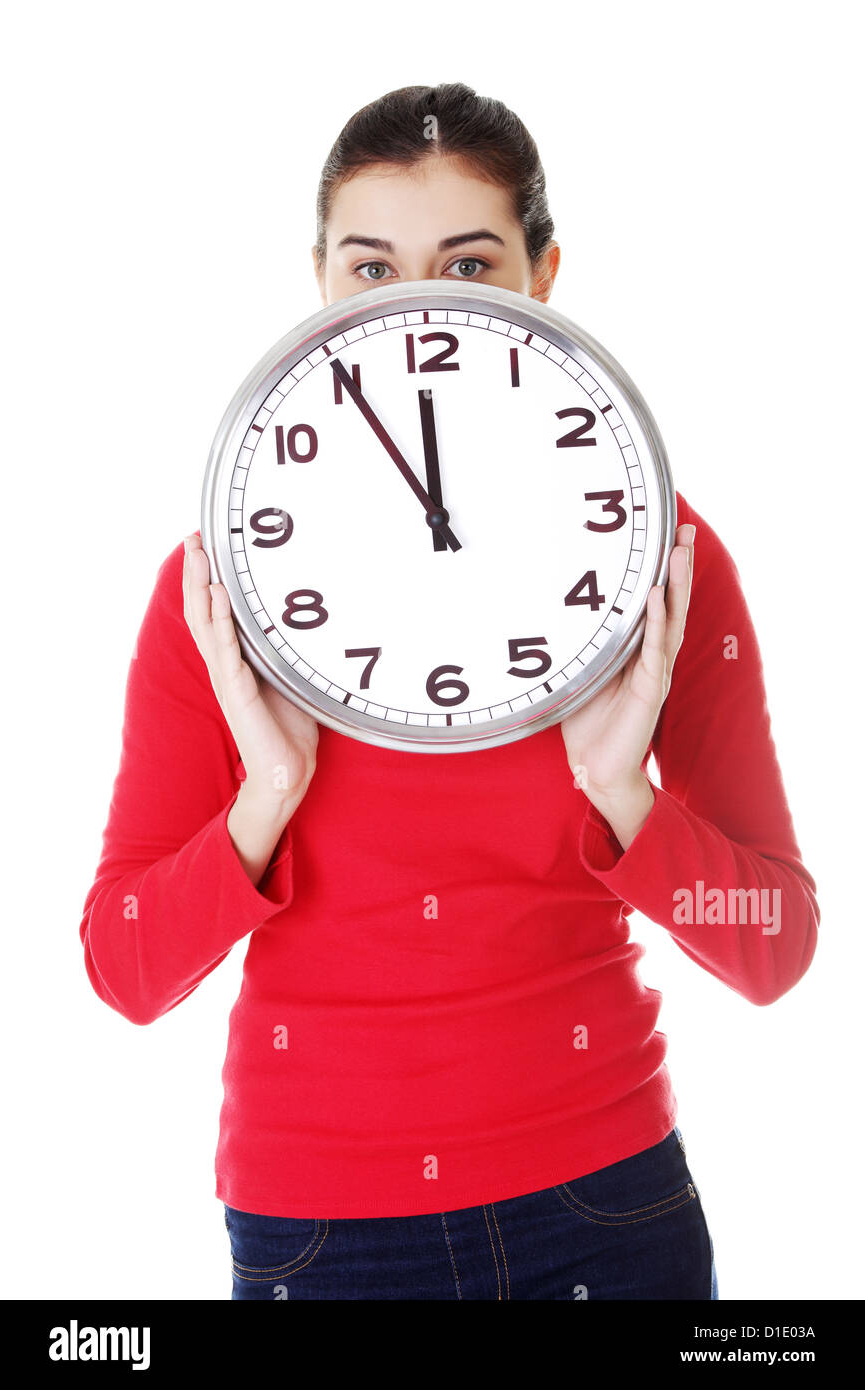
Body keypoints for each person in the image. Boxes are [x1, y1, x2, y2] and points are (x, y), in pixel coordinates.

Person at [79, 83, 819, 1301]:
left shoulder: (661, 558)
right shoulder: (219, 581)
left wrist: (616, 791)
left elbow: (769, 949)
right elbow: (125, 968)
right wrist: (269, 793)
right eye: (371, 270)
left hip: (607, 1201)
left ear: (542, 278)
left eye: (465, 264)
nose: (416, 305)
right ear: (315, 281)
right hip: (318, 1229)